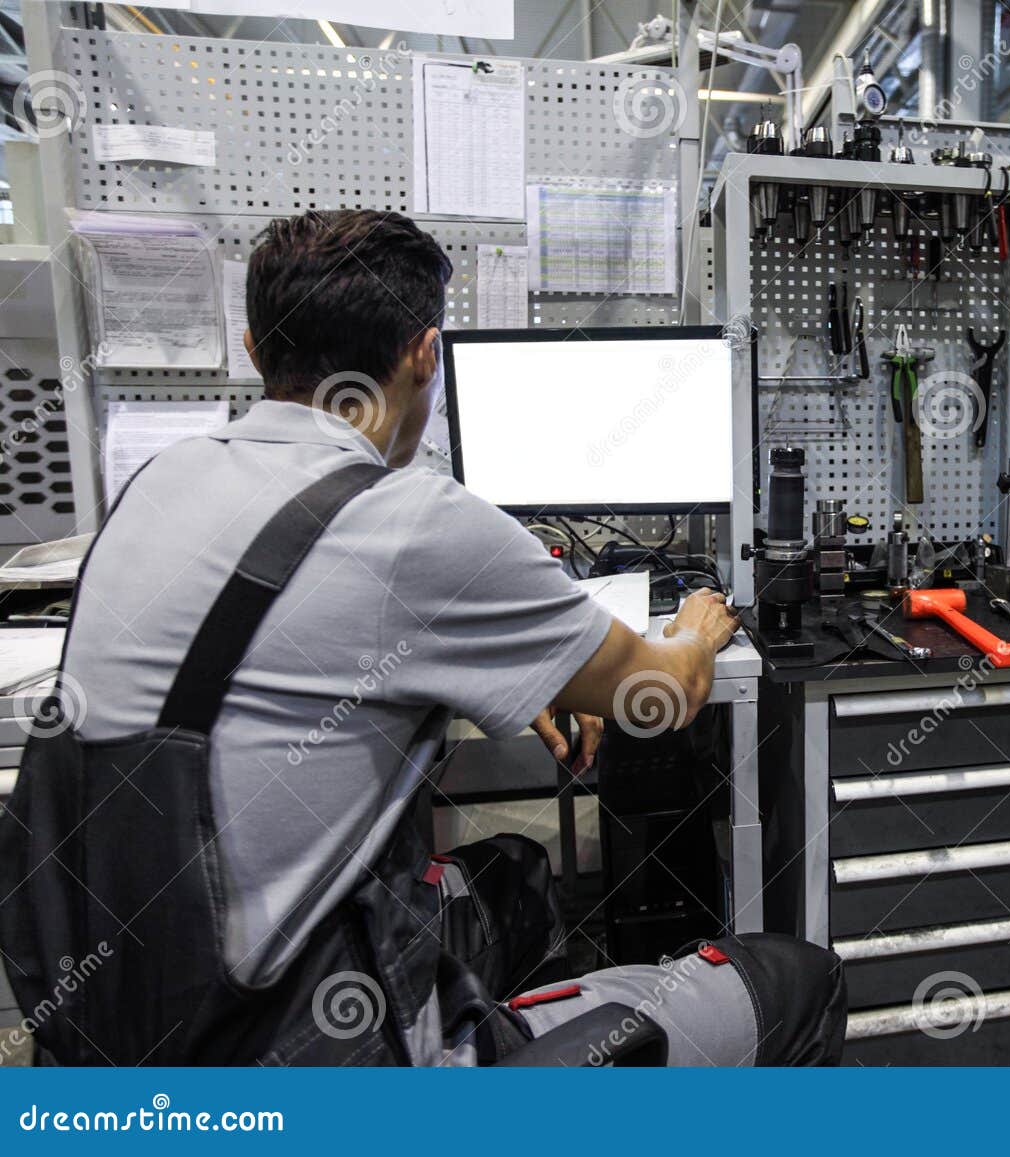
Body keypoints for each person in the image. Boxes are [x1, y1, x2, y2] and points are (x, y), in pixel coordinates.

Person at [0, 209, 844, 1067]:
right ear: (425, 356)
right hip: (316, 1063)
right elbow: (664, 693)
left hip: (120, 1036)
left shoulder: (157, 483)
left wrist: (525, 664)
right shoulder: (412, 523)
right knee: (800, 981)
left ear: (255, 350)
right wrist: (696, 628)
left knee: (520, 876)